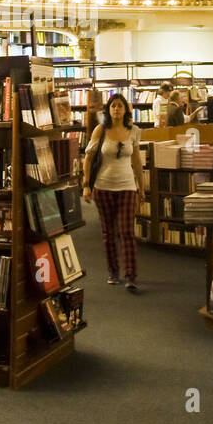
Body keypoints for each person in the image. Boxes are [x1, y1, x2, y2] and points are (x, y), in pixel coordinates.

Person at [82, 93, 145, 294]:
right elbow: (88, 159)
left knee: (127, 232)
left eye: (120, 106)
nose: (116, 109)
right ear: (109, 110)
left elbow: (136, 161)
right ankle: (113, 271)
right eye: (113, 106)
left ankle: (131, 275)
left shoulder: (134, 131)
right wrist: (86, 184)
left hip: (127, 186)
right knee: (108, 233)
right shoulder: (100, 131)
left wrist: (141, 188)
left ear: (126, 109)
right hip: (103, 186)